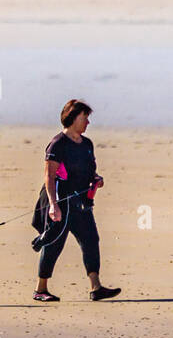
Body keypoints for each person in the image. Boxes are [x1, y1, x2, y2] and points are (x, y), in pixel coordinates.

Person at [30, 98, 121, 302]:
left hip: (81, 202)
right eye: (84, 117)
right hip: (60, 201)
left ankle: (96, 287)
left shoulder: (87, 144)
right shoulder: (57, 144)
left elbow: (90, 171)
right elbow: (49, 176)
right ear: (72, 118)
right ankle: (40, 289)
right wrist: (53, 205)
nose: (88, 122)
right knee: (54, 243)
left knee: (90, 240)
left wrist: (96, 179)